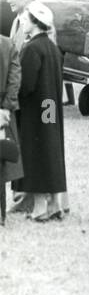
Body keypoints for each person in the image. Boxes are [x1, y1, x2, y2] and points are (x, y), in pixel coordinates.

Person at [13, 3, 68, 221]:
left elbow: (25, 86)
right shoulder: (53, 48)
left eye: (25, 20)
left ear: (35, 23)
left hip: (34, 110)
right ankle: (55, 203)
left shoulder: (31, 49)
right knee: (51, 149)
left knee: (34, 152)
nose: (22, 23)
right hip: (50, 107)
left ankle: (39, 207)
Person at [0, 23, 24, 223]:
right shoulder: (8, 44)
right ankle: (1, 214)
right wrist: (7, 107)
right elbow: (15, 79)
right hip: (3, 109)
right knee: (1, 162)